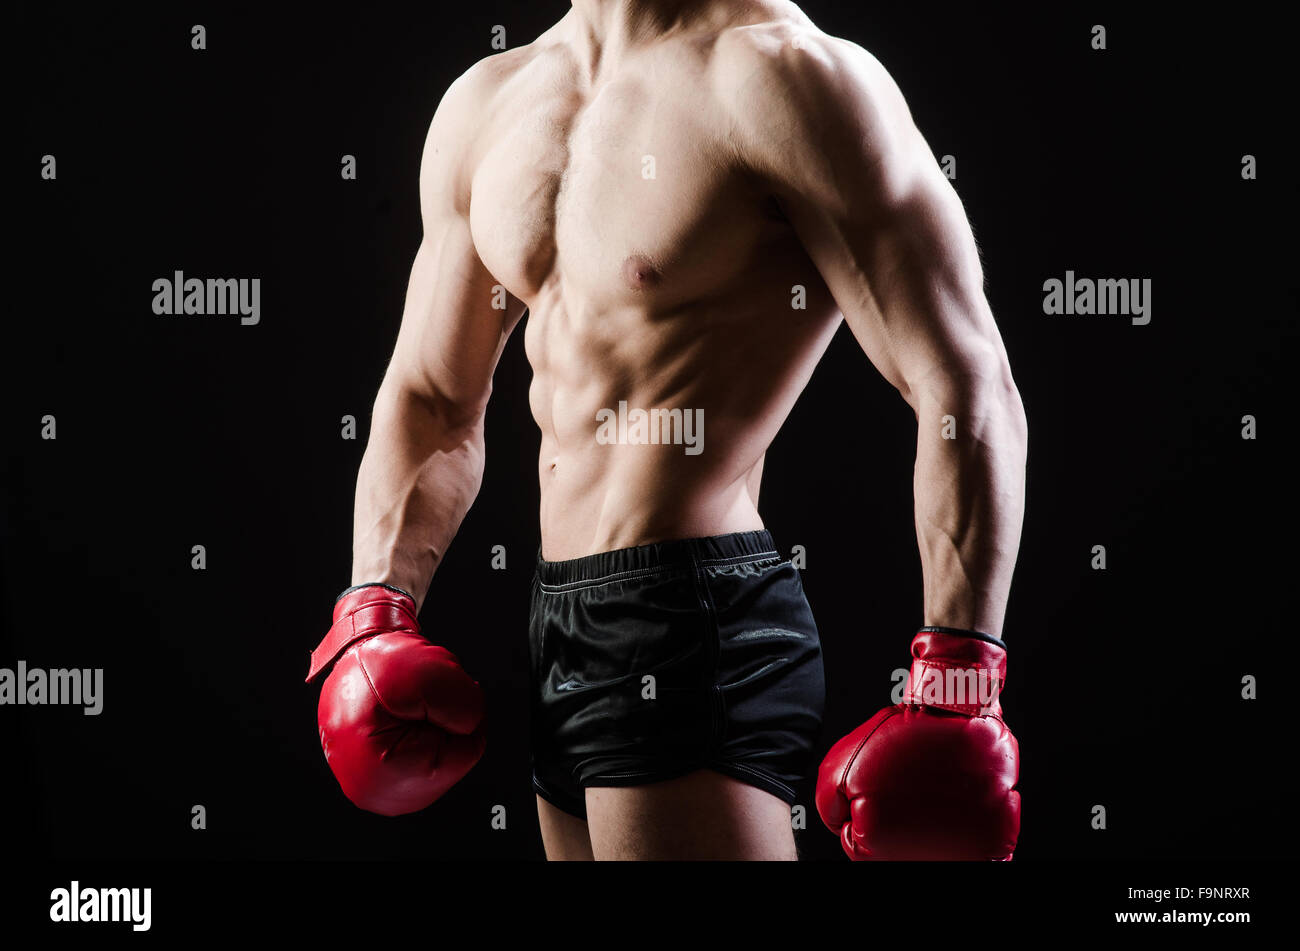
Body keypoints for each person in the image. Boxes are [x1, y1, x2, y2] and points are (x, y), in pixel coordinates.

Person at [306, 0, 1027, 861]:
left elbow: (965, 378)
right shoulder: (492, 100)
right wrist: (374, 607)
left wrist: (958, 676)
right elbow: (430, 396)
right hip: (556, 620)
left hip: (694, 620)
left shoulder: (785, 77)